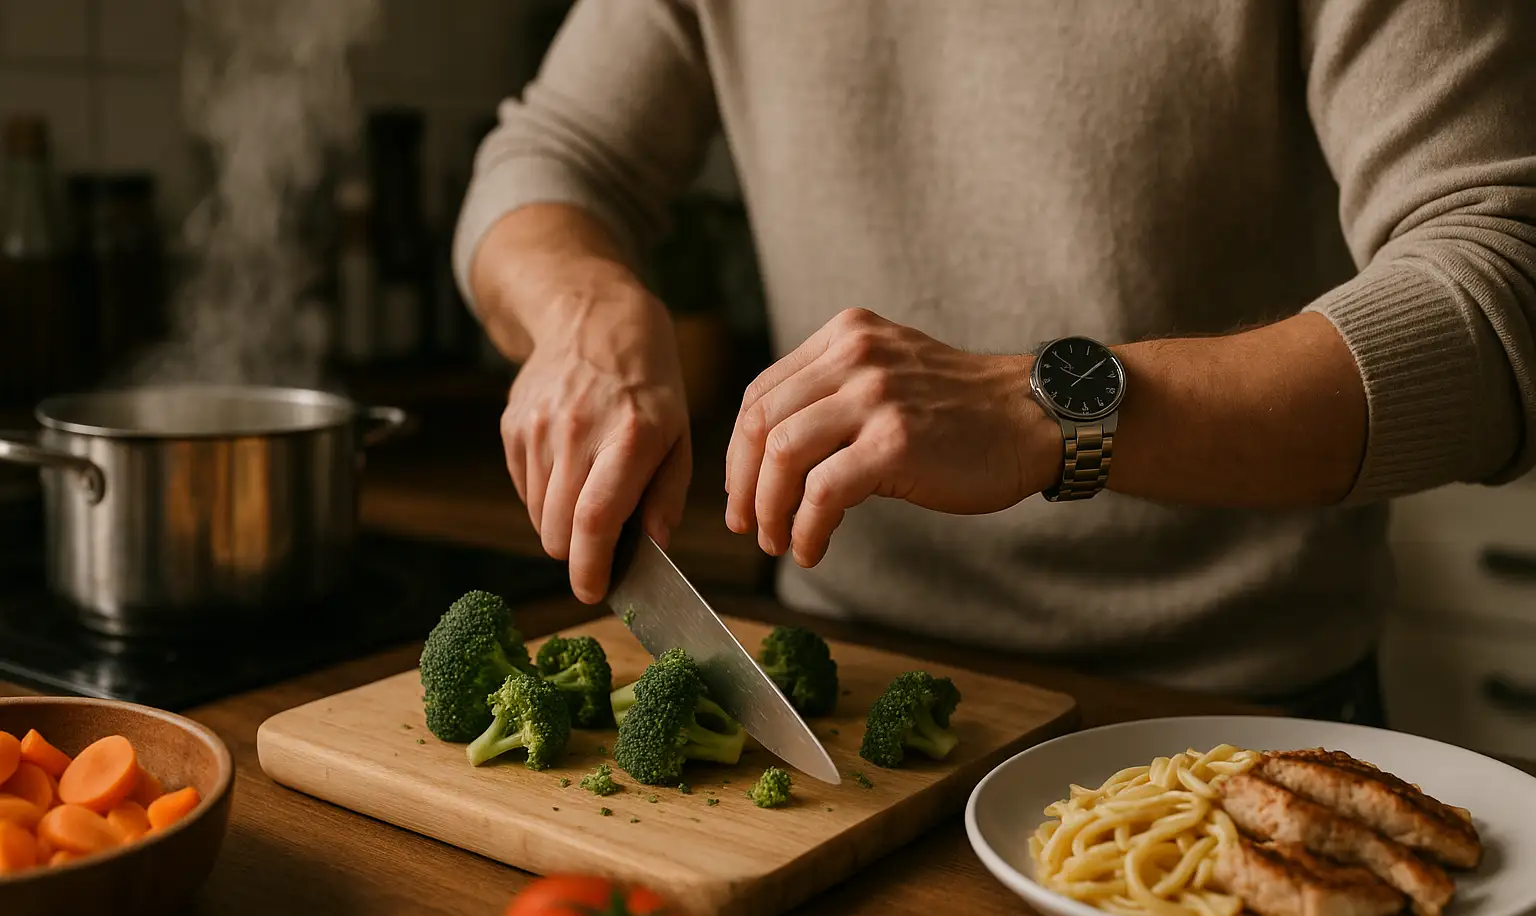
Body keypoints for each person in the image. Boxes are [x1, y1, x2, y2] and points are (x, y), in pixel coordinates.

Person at [452, 1, 1536, 725]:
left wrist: (1048, 406)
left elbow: (1500, 286)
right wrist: (580, 303)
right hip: (843, 686)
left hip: (1225, 714)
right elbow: (551, 154)